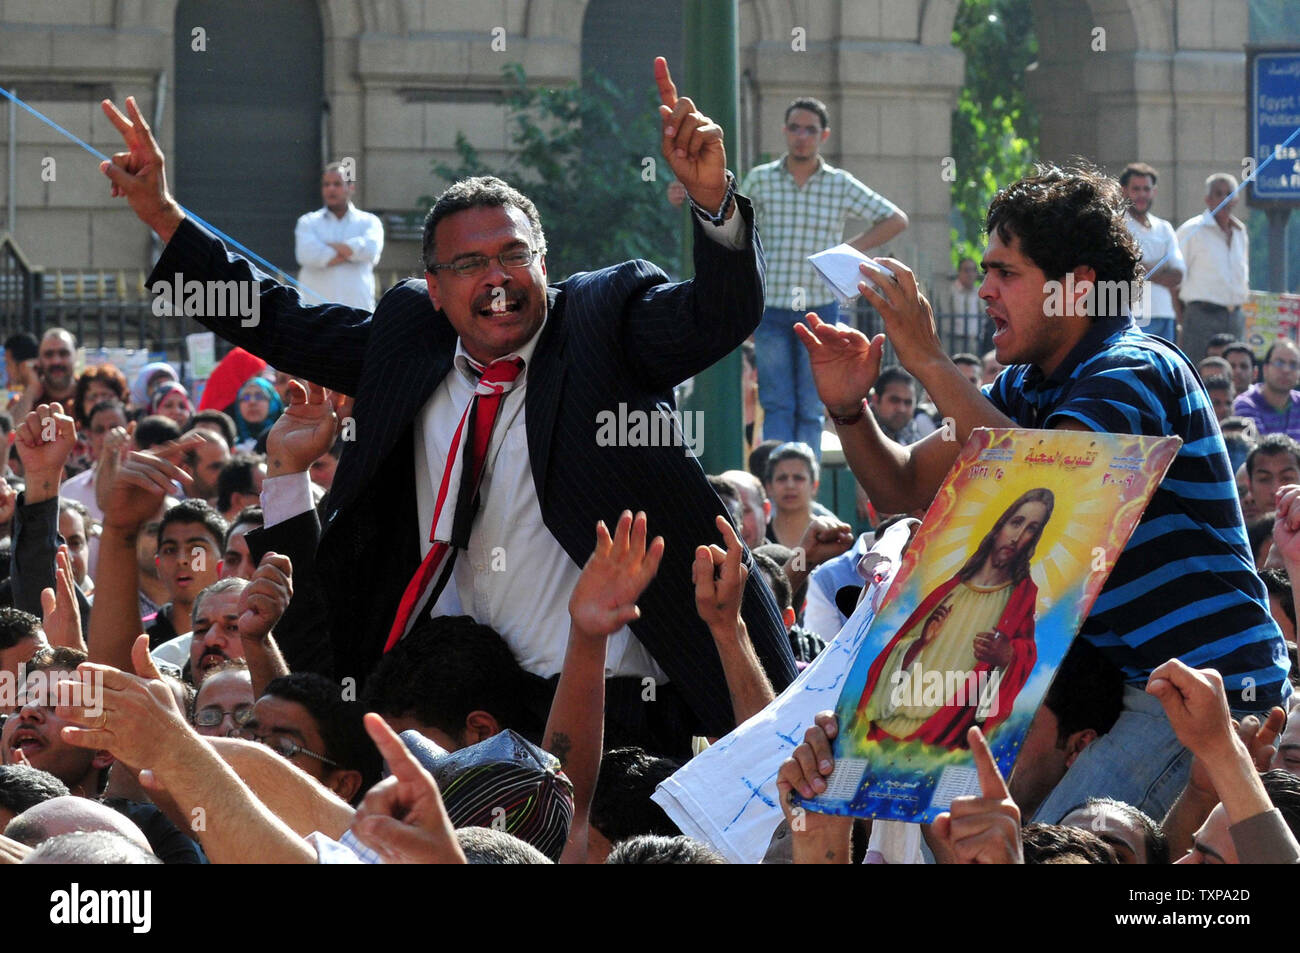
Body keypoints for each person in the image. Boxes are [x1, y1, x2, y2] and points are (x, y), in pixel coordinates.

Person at [99, 61, 797, 749]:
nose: (495, 278)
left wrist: (715, 205)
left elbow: (717, 314)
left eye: (513, 256)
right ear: (434, 287)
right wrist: (163, 213)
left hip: (622, 706)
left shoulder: (601, 323)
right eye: (469, 264)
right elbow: (278, 320)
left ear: (544, 266)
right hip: (460, 708)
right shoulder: (411, 339)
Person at [796, 161, 1289, 823]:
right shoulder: (1026, 386)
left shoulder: (1134, 369)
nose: (988, 290)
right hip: (1133, 681)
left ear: (1076, 287)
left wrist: (930, 358)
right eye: (986, 270)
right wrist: (849, 409)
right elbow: (906, 484)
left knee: (1059, 846)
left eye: (1008, 273)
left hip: (1208, 684)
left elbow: (1037, 484)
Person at [741, 96, 908, 454]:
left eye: (810, 130)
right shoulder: (759, 179)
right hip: (769, 307)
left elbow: (896, 218)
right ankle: (778, 482)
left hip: (820, 308)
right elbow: (735, 224)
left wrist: (850, 249)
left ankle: (806, 489)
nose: (802, 136)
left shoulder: (839, 183)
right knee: (776, 403)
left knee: (813, 407)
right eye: (795, 128)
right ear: (785, 132)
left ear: (824, 135)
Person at [853, 489, 1052, 748]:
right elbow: (888, 659)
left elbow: (1023, 665)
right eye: (1016, 522)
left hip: (954, 737)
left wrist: (1008, 656)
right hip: (895, 724)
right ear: (1000, 525)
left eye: (1031, 530)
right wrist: (920, 643)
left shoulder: (1021, 598)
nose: (1017, 537)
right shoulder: (948, 590)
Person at [1176, 173, 1249, 362]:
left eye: (1229, 193)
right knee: (1201, 370)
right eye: (1218, 193)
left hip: (1235, 316)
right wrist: (1181, 320)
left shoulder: (1240, 232)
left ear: (1236, 199)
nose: (1225, 199)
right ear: (1208, 199)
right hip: (1202, 315)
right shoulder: (1191, 230)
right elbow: (1175, 279)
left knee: (1235, 374)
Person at [294, 162, 385, 311]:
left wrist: (327, 247)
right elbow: (306, 255)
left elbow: (370, 251)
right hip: (314, 313)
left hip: (357, 313)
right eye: (326, 184)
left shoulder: (369, 222)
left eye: (337, 184)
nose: (331, 189)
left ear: (351, 188)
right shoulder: (307, 222)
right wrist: (352, 253)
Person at [1118, 162, 1183, 342]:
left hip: (1165, 314)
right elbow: (1126, 269)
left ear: (1154, 191)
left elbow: (1178, 274)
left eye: (1146, 189)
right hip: (1134, 316)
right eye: (1136, 189)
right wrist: (1161, 268)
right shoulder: (1118, 225)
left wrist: (1144, 268)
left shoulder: (1164, 228)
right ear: (1124, 191)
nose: (1141, 195)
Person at [1233, 340, 1300, 440]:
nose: (1286, 370)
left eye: (1293, 364)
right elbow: (1256, 451)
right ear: (1265, 369)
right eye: (1279, 363)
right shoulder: (1244, 405)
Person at [870, 365, 935, 445]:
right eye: (894, 400)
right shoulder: (858, 430)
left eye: (908, 402)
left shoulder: (909, 429)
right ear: (875, 400)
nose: (901, 409)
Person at [939, 257, 984, 353]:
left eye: (973, 270)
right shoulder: (950, 292)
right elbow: (944, 318)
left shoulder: (979, 292)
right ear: (959, 272)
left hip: (974, 340)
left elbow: (983, 317)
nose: (970, 274)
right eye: (966, 270)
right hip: (954, 340)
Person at [229, 377, 283, 452]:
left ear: (273, 402)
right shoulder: (229, 445)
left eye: (259, 396)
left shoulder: (286, 438)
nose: (252, 402)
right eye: (246, 397)